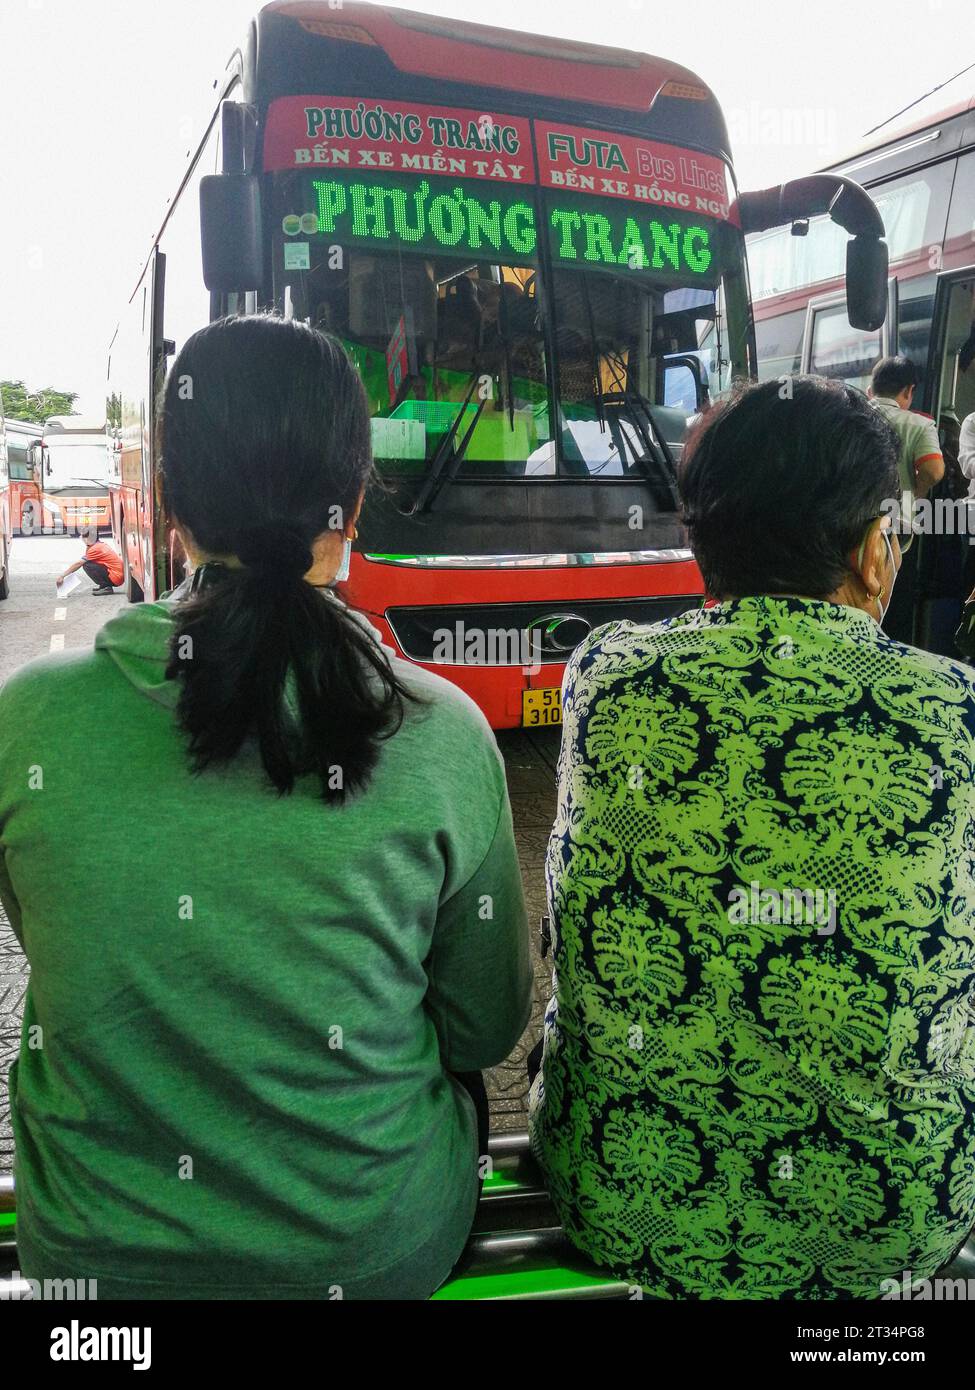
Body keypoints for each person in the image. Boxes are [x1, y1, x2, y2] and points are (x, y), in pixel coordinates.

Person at [0, 314, 531, 1300]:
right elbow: (484, 1026)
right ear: (353, 510)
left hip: (92, 1265)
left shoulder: (27, 717)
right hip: (375, 1253)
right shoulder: (446, 732)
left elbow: (49, 932)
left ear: (169, 507)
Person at [530, 375, 975, 1300]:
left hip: (621, 1185)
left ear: (703, 549)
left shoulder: (603, 674)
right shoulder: (952, 710)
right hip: (890, 1218)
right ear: (868, 553)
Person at [866, 356, 944, 643]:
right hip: (895, 533)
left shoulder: (846, 417)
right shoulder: (918, 425)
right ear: (909, 391)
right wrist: (916, 493)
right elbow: (934, 470)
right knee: (894, 613)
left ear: (870, 389)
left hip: (844, 527)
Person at [55, 525, 124, 594]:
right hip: (117, 575)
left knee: (87, 565)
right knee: (89, 563)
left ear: (88, 538)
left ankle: (106, 587)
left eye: (82, 536)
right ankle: (104, 586)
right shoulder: (98, 545)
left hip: (116, 577)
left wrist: (62, 576)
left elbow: (78, 563)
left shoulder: (95, 548)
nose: (81, 538)